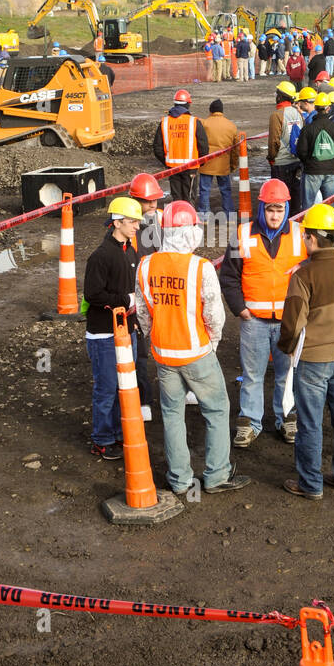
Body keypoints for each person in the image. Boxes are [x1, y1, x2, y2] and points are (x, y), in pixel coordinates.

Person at [135, 200, 249, 495]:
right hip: (196, 351)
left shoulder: (146, 265)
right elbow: (214, 314)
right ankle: (216, 475)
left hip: (163, 352)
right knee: (217, 409)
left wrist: (153, 336)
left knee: (171, 414)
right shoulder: (200, 267)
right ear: (190, 233)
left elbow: (143, 312)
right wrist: (212, 342)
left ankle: (180, 479)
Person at [278, 204, 334, 498]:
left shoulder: (303, 277)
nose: (304, 241)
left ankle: (310, 484)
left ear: (313, 239)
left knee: (310, 423)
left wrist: (287, 350)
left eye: (305, 236)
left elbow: (292, 324)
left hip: (313, 361)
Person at [219, 179, 304, 448]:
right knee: (252, 374)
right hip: (253, 320)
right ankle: (250, 421)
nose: (275, 215)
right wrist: (240, 309)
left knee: (286, 373)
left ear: (287, 208)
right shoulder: (241, 235)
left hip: (288, 322)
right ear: (262, 209)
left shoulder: (302, 234)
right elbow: (228, 276)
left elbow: (320, 265)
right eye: (270, 209)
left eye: (279, 209)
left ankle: (286, 417)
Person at [83, 196, 142, 460]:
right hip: (104, 334)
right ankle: (102, 439)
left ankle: (119, 433)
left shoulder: (129, 251)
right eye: (132, 222)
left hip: (126, 330)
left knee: (124, 387)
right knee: (106, 389)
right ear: (117, 223)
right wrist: (126, 300)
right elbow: (93, 294)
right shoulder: (100, 256)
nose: (136, 227)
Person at [129, 172, 165, 421]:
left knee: (174, 343)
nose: (152, 205)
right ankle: (144, 400)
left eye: (155, 200)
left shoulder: (164, 219)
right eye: (147, 201)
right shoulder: (128, 227)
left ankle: (182, 391)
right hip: (139, 294)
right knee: (141, 350)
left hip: (164, 290)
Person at [295, 91, 334, 213]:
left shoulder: (308, 129)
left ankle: (308, 230)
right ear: (329, 108)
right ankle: (330, 230)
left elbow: (301, 151)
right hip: (330, 171)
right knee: (330, 206)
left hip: (312, 171)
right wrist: (333, 160)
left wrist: (309, 162)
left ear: (315, 107)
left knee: (307, 207)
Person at [153, 90, 209, 204]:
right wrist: (200, 162)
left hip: (172, 168)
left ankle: (177, 220)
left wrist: (167, 162)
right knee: (189, 199)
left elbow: (157, 148)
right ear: (188, 104)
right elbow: (203, 146)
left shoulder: (164, 122)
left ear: (174, 104)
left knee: (177, 199)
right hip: (191, 167)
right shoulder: (194, 122)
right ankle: (188, 221)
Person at [198, 99, 239, 219]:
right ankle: (228, 213)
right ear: (222, 111)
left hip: (206, 164)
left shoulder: (204, 123)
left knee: (204, 190)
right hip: (223, 165)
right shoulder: (231, 126)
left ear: (210, 111)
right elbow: (235, 149)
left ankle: (204, 214)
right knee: (226, 190)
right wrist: (233, 165)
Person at [267, 82, 303, 213]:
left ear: (281, 96)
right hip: (296, 161)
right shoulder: (297, 113)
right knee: (295, 195)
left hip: (281, 162)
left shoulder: (276, 115)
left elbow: (274, 141)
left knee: (280, 196)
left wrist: (271, 158)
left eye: (277, 93)